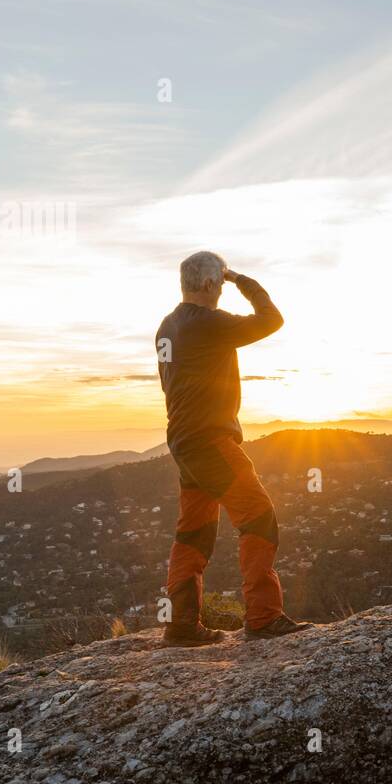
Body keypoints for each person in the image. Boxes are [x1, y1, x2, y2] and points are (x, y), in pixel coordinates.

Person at [154, 250, 311, 646]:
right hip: (210, 440)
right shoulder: (208, 323)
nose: (223, 290)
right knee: (259, 517)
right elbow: (272, 320)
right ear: (210, 284)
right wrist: (242, 280)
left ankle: (182, 625)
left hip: (183, 442)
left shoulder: (168, 326)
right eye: (221, 284)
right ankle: (262, 618)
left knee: (193, 533)